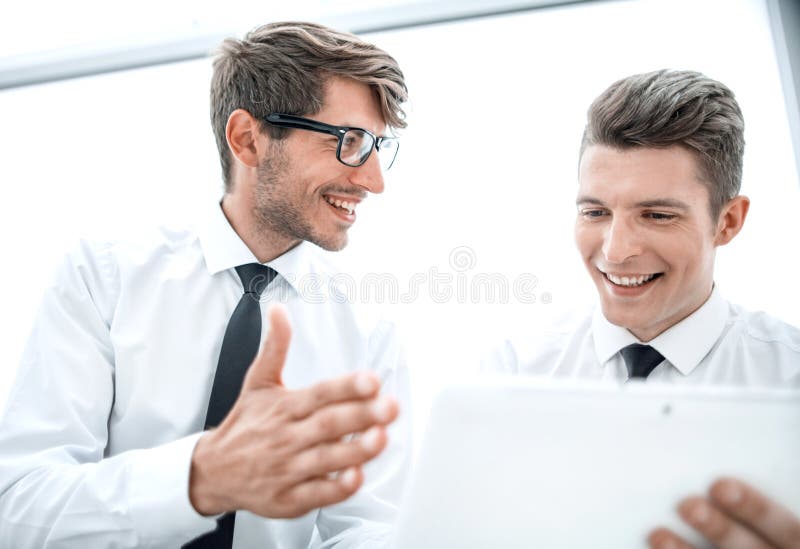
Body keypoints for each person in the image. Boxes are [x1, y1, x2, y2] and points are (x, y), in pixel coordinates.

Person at [0, 22, 411, 548]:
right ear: (248, 139)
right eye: (349, 141)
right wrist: (199, 479)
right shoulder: (102, 278)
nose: (374, 180)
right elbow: (20, 507)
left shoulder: (369, 332)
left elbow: (367, 528)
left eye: (378, 146)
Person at [485, 69, 800, 548]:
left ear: (728, 221)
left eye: (656, 215)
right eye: (595, 212)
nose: (615, 251)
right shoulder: (513, 373)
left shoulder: (790, 381)